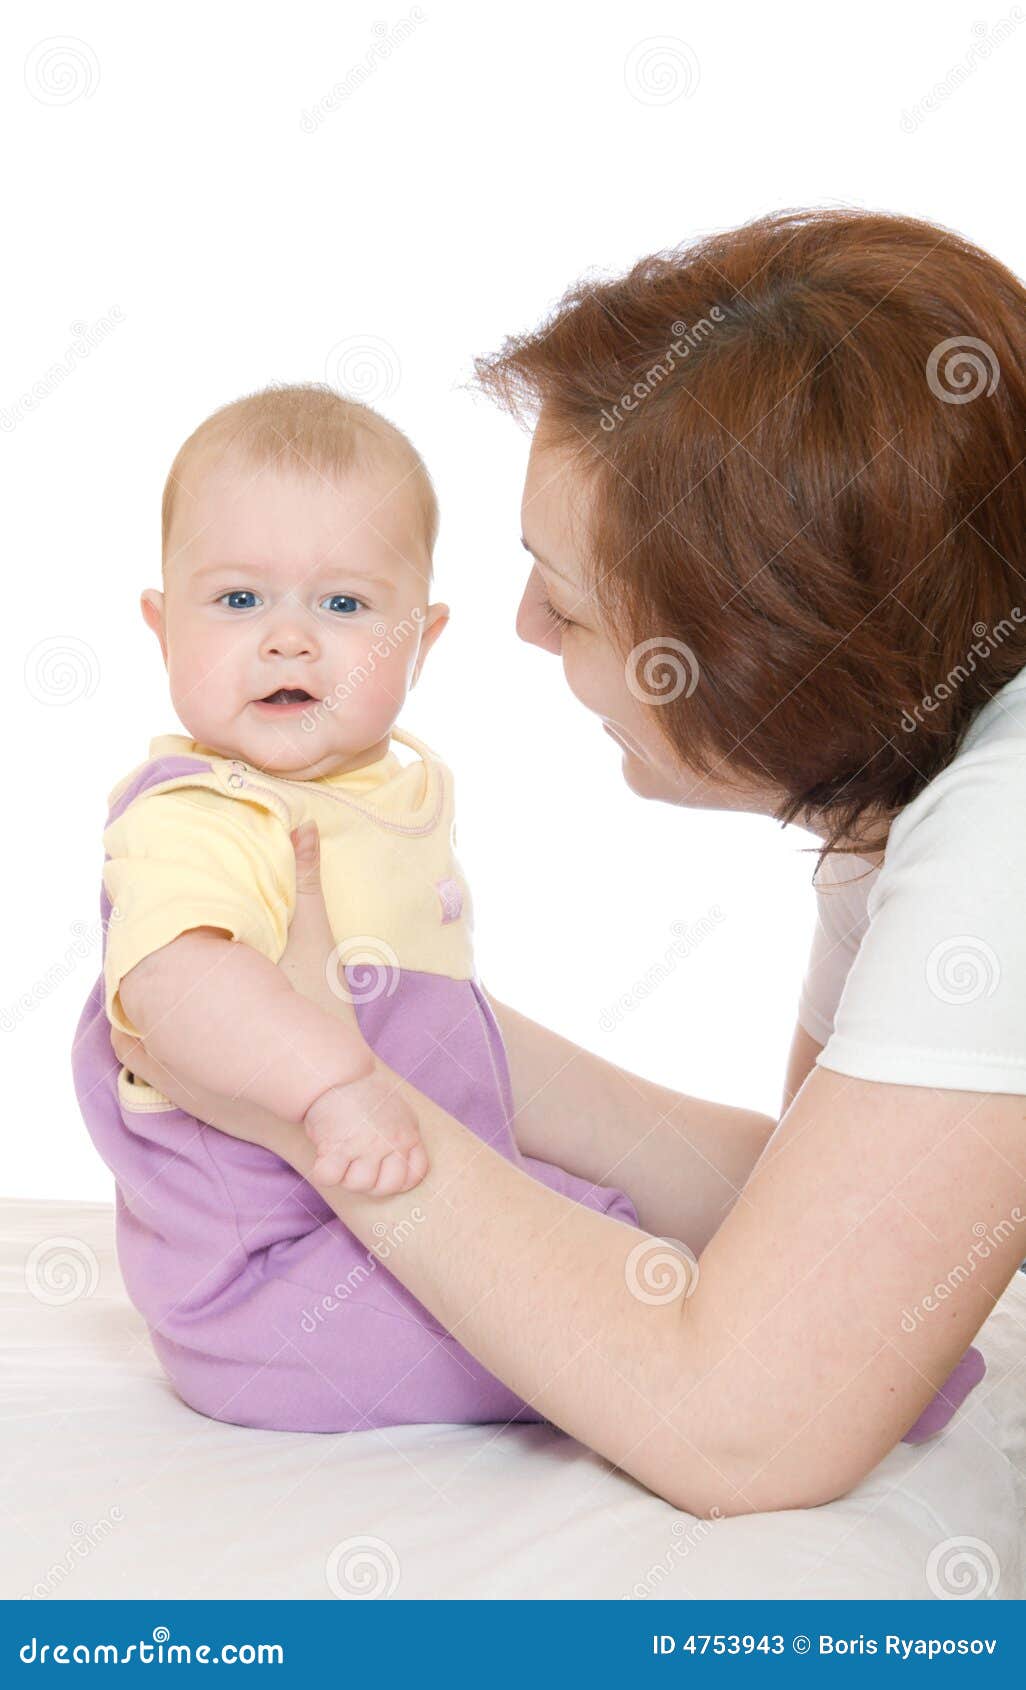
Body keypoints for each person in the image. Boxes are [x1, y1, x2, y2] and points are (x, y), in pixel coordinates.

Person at [108, 207, 1026, 1517]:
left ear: (767, 646)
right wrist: (371, 1024)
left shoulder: (1005, 836)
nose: (527, 627)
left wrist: (332, 1100)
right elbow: (817, 1203)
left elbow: (746, 1428)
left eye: (572, 598)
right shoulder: (910, 787)